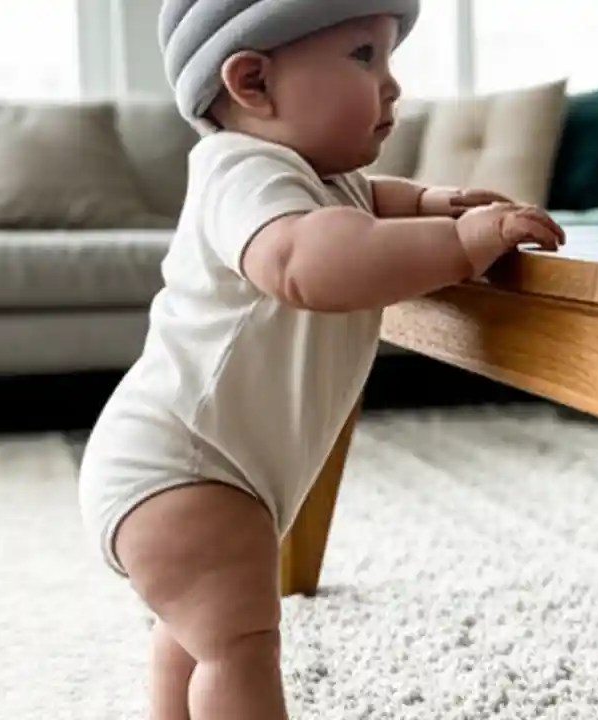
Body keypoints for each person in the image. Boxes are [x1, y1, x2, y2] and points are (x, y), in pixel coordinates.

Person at [78, 1, 566, 717]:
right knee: (238, 643)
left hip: (196, 469)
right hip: (184, 469)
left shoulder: (319, 178)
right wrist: (460, 243)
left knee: (194, 632)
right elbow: (308, 263)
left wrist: (433, 199)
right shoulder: (242, 173)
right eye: (364, 56)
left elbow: (376, 202)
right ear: (253, 82)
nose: (393, 83)